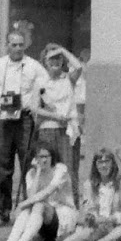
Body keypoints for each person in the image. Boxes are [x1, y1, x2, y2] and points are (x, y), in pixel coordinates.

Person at [0, 27, 45, 225]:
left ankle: (28, 212)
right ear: (7, 45)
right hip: (3, 119)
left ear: (25, 45)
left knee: (28, 166)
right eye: (14, 44)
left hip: (25, 120)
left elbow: (46, 87)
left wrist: (37, 106)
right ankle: (3, 213)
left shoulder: (33, 65)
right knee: (3, 168)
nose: (18, 48)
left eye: (21, 44)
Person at [0, 142, 70, 241]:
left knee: (37, 204)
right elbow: (32, 197)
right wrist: (38, 172)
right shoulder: (31, 174)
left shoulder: (60, 169)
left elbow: (48, 192)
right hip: (40, 218)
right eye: (41, 157)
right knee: (30, 207)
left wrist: (22, 204)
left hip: (62, 216)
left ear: (52, 157)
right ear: (35, 159)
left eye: (47, 156)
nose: (44, 160)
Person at [52, 147, 121, 241]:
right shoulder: (89, 185)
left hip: (114, 225)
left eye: (107, 161)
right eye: (100, 162)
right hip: (97, 225)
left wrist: (110, 219)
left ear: (113, 164)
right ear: (96, 165)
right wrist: (94, 218)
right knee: (90, 229)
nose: (104, 166)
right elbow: (89, 208)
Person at [34, 46, 78, 201]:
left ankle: (71, 206)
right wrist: (55, 116)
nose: (55, 61)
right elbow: (36, 109)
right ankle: (48, 204)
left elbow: (78, 67)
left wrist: (63, 50)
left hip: (66, 131)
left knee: (69, 169)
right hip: (47, 129)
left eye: (58, 58)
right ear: (45, 62)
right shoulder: (40, 82)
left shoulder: (68, 79)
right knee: (49, 168)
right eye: (51, 58)